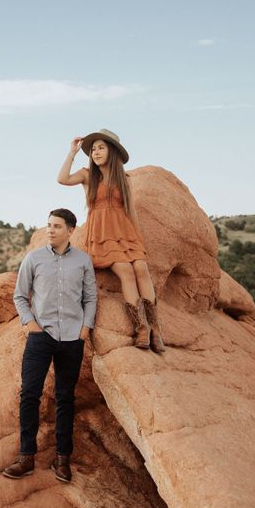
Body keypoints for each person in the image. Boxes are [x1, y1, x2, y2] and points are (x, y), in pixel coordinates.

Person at [2, 208, 96, 484]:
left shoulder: (83, 261)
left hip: (72, 339)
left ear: (70, 230)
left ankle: (62, 458)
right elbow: (20, 296)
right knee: (30, 394)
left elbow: (90, 297)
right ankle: (26, 457)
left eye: (56, 226)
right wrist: (30, 324)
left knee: (65, 398)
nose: (50, 230)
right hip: (40, 337)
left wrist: (85, 329)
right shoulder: (34, 258)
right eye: (48, 225)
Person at [56, 128, 165, 352]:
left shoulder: (124, 179)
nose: (96, 152)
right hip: (102, 235)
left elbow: (131, 211)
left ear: (112, 151)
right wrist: (72, 152)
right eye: (93, 149)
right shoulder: (88, 175)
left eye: (101, 148)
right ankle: (141, 328)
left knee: (141, 268)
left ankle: (155, 329)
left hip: (125, 232)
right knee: (125, 270)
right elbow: (62, 179)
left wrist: (139, 240)